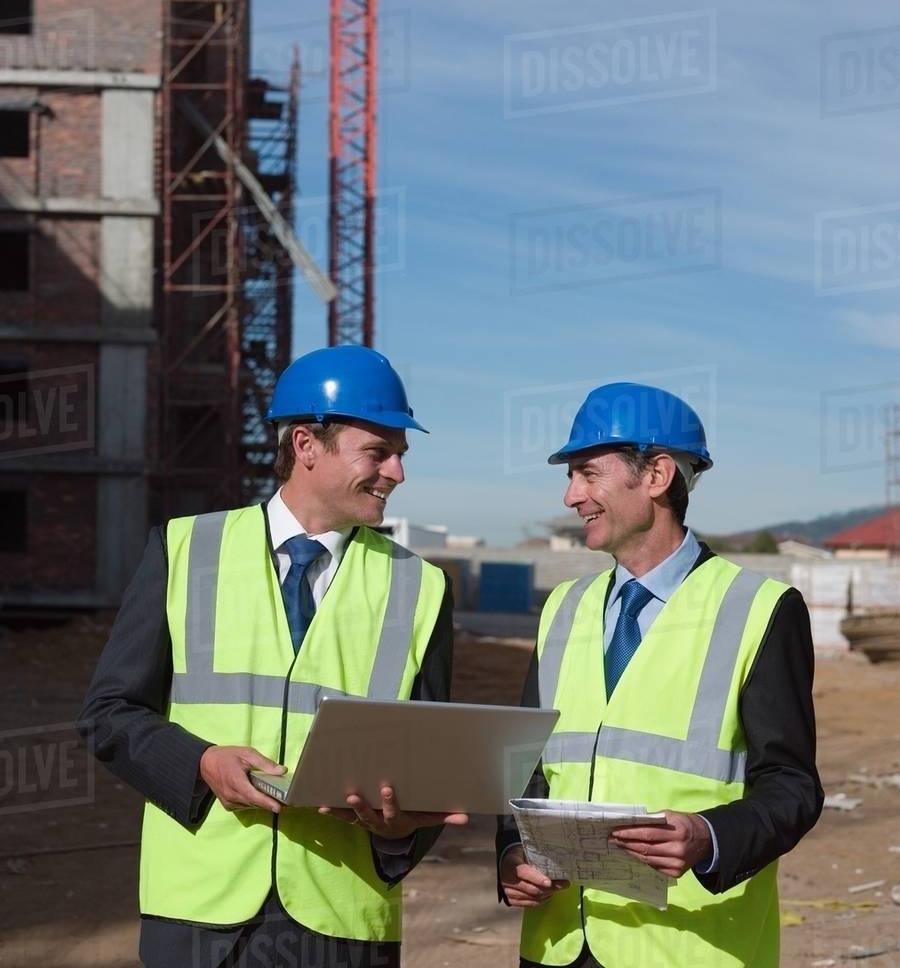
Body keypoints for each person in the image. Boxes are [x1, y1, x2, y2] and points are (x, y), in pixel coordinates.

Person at [79, 345, 465, 968]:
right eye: (378, 453)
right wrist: (202, 762)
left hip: (342, 914)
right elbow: (110, 713)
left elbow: (423, 757)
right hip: (199, 908)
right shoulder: (185, 549)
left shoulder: (421, 586)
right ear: (307, 444)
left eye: (401, 455)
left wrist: (400, 832)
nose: (397, 473)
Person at [498, 382, 823, 968]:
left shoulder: (759, 609)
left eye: (587, 473)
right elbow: (526, 769)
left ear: (656, 475)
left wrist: (707, 836)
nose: (571, 496)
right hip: (558, 944)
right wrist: (509, 859)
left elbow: (793, 788)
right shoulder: (562, 608)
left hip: (689, 947)